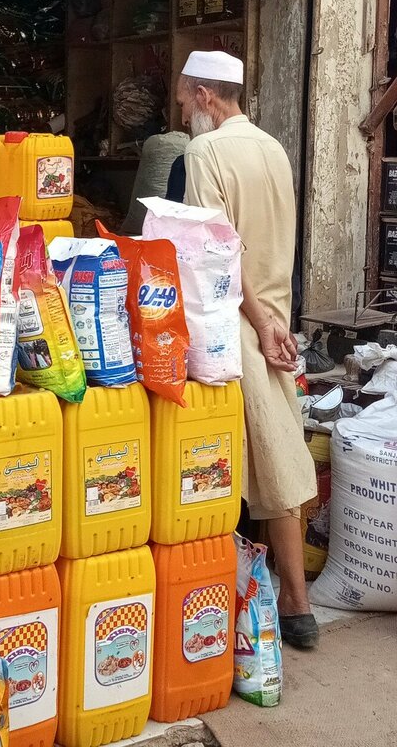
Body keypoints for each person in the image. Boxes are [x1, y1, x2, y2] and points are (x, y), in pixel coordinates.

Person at [176, 49, 318, 650]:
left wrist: (258, 325)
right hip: (275, 317)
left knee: (250, 458)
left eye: (186, 100)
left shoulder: (204, 151)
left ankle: (292, 602)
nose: (184, 111)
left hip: (237, 321)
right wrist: (273, 323)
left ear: (206, 97)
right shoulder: (274, 147)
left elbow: (215, 253)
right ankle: (278, 597)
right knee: (271, 449)